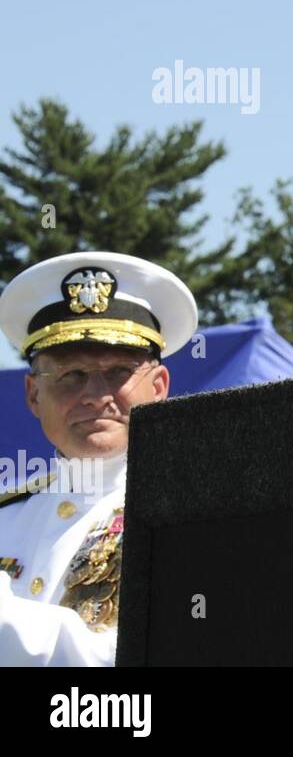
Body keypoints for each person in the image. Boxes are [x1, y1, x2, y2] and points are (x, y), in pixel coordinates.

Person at [0, 251, 197, 665]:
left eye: (119, 372)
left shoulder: (191, 515)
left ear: (159, 387)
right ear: (34, 394)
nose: (94, 394)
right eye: (70, 375)